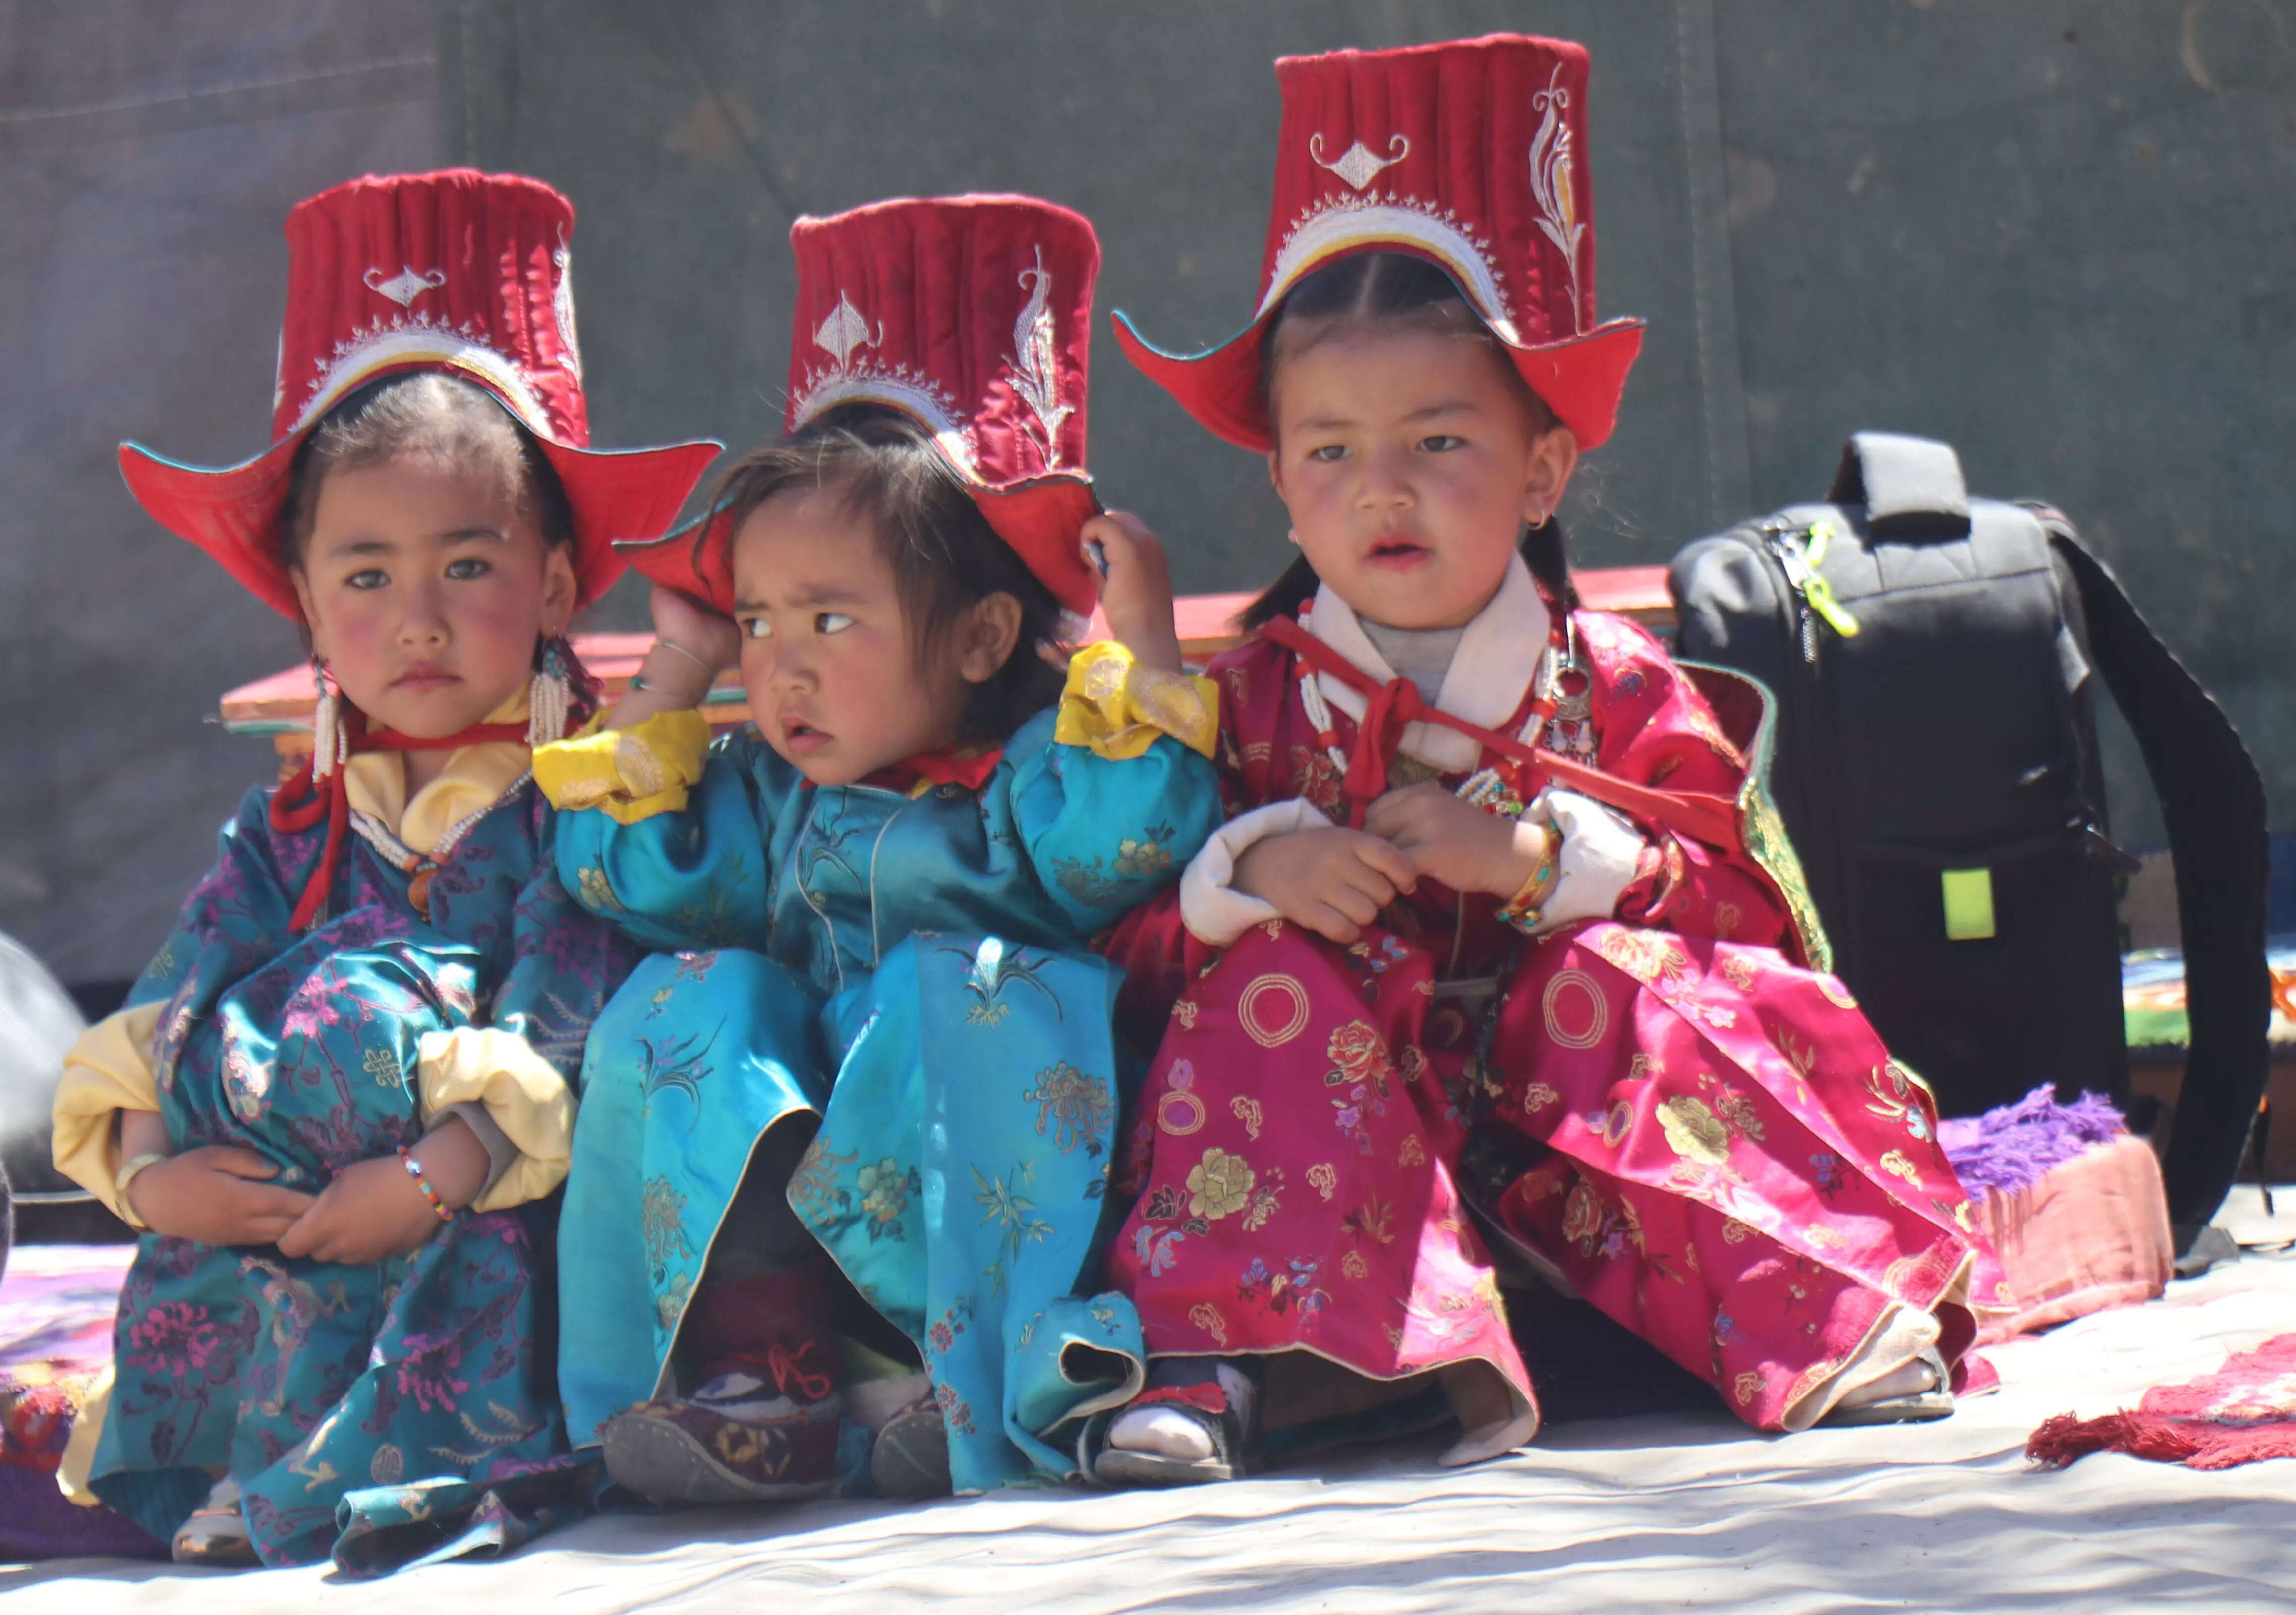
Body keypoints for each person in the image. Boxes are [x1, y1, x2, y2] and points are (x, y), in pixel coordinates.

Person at [1088, 35, 2009, 1485]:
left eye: (1439, 438)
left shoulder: (1621, 682)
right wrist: (1247, 870)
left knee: (1618, 982)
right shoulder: (1249, 703)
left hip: (1604, 1184)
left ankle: (1816, 1312)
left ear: (1543, 467)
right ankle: (1239, 1359)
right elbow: (1122, 937)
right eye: (1327, 449)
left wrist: (1536, 862)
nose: (1379, 486)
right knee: (1260, 987)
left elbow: (1755, 920)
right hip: (1349, 1197)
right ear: (1275, 479)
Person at [46, 170, 717, 1568]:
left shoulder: (568, 806)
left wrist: (436, 1168)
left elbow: (563, 1010)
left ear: (553, 583)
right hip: (284, 1197)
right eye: (363, 577)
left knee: (372, 1033)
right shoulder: (285, 828)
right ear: (300, 599)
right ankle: (238, 1444)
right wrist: (155, 1167)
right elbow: (173, 998)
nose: (416, 620)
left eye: (466, 565)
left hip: (469, 1199)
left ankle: (358, 1461)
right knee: (241, 1041)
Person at [534, 195, 1225, 1505]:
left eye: (832, 619)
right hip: (804, 1193)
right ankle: (756, 1365)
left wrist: (1141, 640)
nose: (778, 664)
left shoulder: (1027, 788)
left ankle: (938, 1369)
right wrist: (676, 668)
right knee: (689, 990)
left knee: (963, 991)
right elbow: (620, 873)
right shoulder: (769, 795)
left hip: (981, 1157)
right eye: (753, 617)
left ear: (977, 639)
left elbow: (1136, 827)